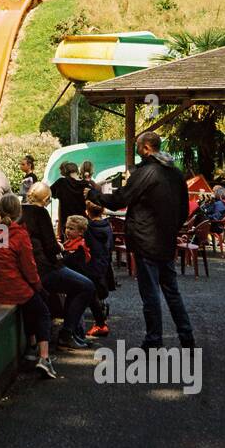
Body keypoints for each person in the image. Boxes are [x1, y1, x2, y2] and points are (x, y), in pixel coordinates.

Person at [89, 131, 195, 350]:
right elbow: (184, 209)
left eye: (138, 146)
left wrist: (94, 195)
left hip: (146, 241)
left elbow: (120, 199)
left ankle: (153, 340)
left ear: (146, 148)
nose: (137, 150)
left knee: (151, 294)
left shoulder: (146, 172)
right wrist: (171, 229)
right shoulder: (175, 174)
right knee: (172, 291)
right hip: (166, 240)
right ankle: (187, 338)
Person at [0, 193, 56, 378]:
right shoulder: (19, 234)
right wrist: (38, 286)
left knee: (31, 301)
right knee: (42, 310)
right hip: (13, 289)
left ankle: (30, 347)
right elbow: (29, 268)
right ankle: (44, 358)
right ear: (18, 212)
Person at [23, 183, 93, 351]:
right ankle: (67, 333)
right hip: (44, 268)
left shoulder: (20, 211)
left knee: (75, 286)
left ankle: (70, 332)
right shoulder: (40, 213)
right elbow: (50, 246)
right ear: (46, 199)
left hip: (28, 268)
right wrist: (60, 249)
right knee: (87, 286)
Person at [82, 202, 116, 336]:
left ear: (87, 212)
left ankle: (99, 321)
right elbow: (110, 246)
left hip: (90, 264)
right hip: (103, 263)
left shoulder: (87, 228)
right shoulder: (107, 227)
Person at [50, 161, 81, 241]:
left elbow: (48, 191)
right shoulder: (84, 184)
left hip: (65, 220)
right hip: (81, 220)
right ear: (77, 171)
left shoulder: (61, 183)